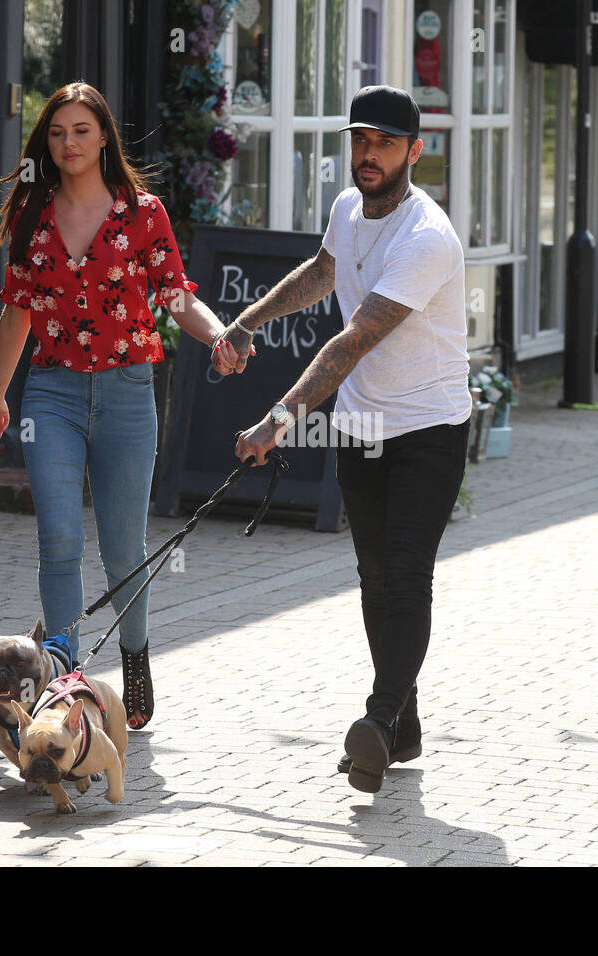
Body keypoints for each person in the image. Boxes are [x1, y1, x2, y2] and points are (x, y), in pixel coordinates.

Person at [0, 82, 247, 730]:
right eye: (57, 133)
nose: (68, 143)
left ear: (103, 137)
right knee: (59, 536)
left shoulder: (142, 213)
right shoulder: (32, 220)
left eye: (80, 131)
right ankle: (64, 675)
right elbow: (17, 313)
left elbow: (177, 297)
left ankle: (133, 653)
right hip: (52, 393)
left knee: (124, 547)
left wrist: (219, 335)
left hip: (128, 393)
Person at [225, 86, 471, 793]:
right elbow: (324, 271)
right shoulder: (346, 208)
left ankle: (378, 719)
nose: (369, 153)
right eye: (360, 139)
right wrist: (248, 321)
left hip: (428, 427)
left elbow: (354, 339)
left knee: (406, 573)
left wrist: (281, 418)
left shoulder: (427, 237)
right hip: (363, 424)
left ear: (413, 152)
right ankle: (404, 722)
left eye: (385, 143)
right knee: (373, 581)